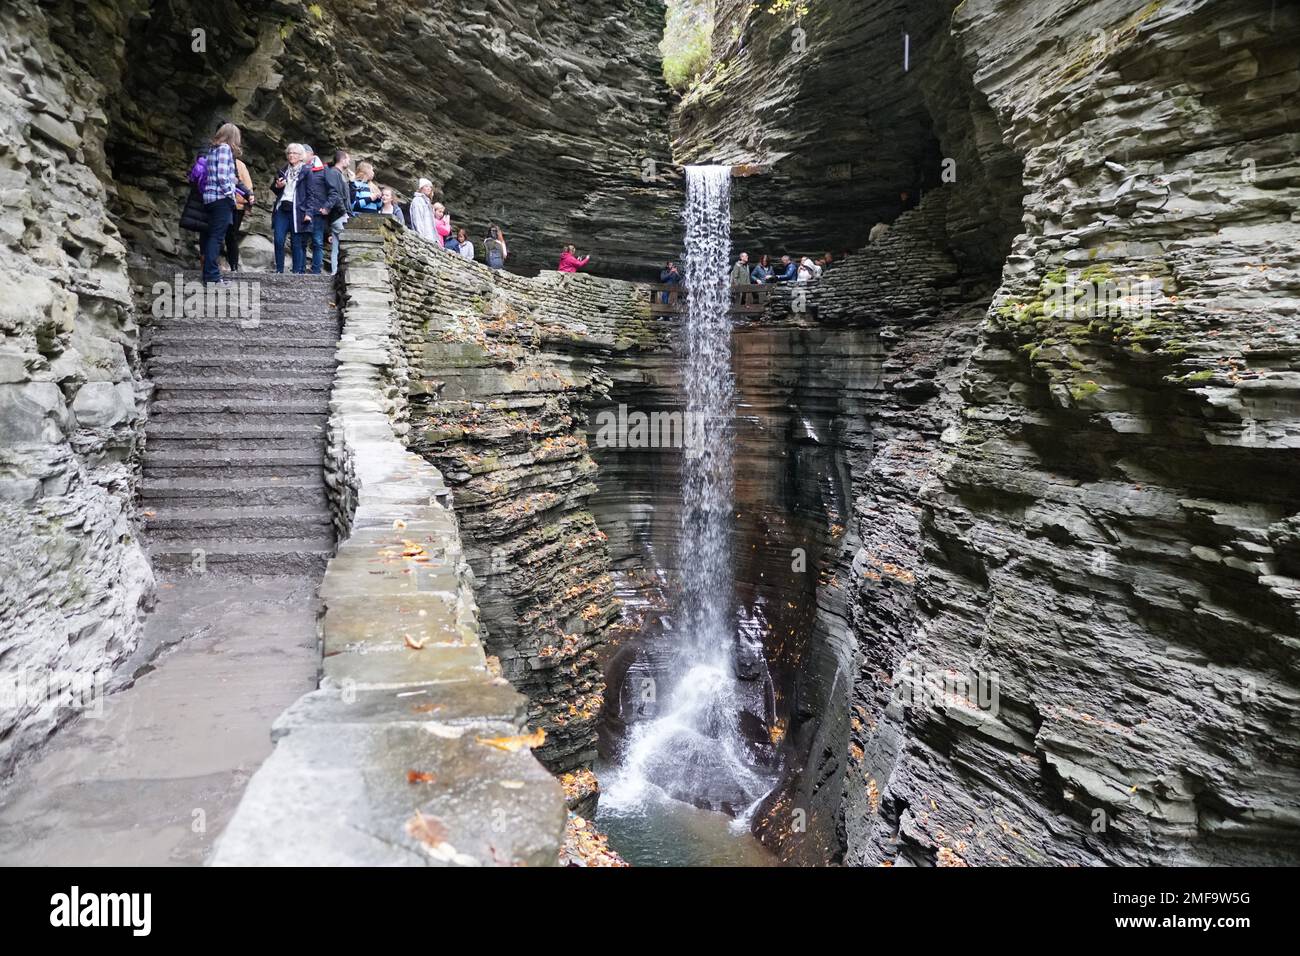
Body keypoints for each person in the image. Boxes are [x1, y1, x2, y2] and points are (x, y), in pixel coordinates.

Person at [198, 123, 241, 285]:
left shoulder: (212, 150)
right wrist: (231, 194)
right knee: (216, 238)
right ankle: (213, 277)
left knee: (211, 237)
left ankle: (210, 275)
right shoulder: (224, 149)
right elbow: (222, 177)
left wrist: (233, 179)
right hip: (220, 199)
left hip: (209, 199)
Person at [270, 143, 318, 273]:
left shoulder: (307, 171)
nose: (291, 155)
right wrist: (278, 186)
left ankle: (297, 273)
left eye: (294, 153)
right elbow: (274, 188)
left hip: (298, 210)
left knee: (296, 243)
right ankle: (279, 270)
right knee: (278, 239)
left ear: (301, 156)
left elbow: (311, 194)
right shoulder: (283, 169)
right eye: (289, 153)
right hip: (282, 208)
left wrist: (309, 213)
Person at [317, 149, 350, 275]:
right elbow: (335, 194)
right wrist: (343, 212)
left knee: (336, 245)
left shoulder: (337, 174)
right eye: (348, 159)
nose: (349, 161)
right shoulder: (333, 173)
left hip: (338, 214)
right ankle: (340, 273)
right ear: (342, 160)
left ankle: (335, 272)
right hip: (338, 215)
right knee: (344, 244)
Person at [223, 152, 255, 273]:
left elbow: (247, 185)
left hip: (237, 206)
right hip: (224, 203)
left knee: (231, 236)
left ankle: (233, 266)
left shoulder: (239, 165)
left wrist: (247, 203)